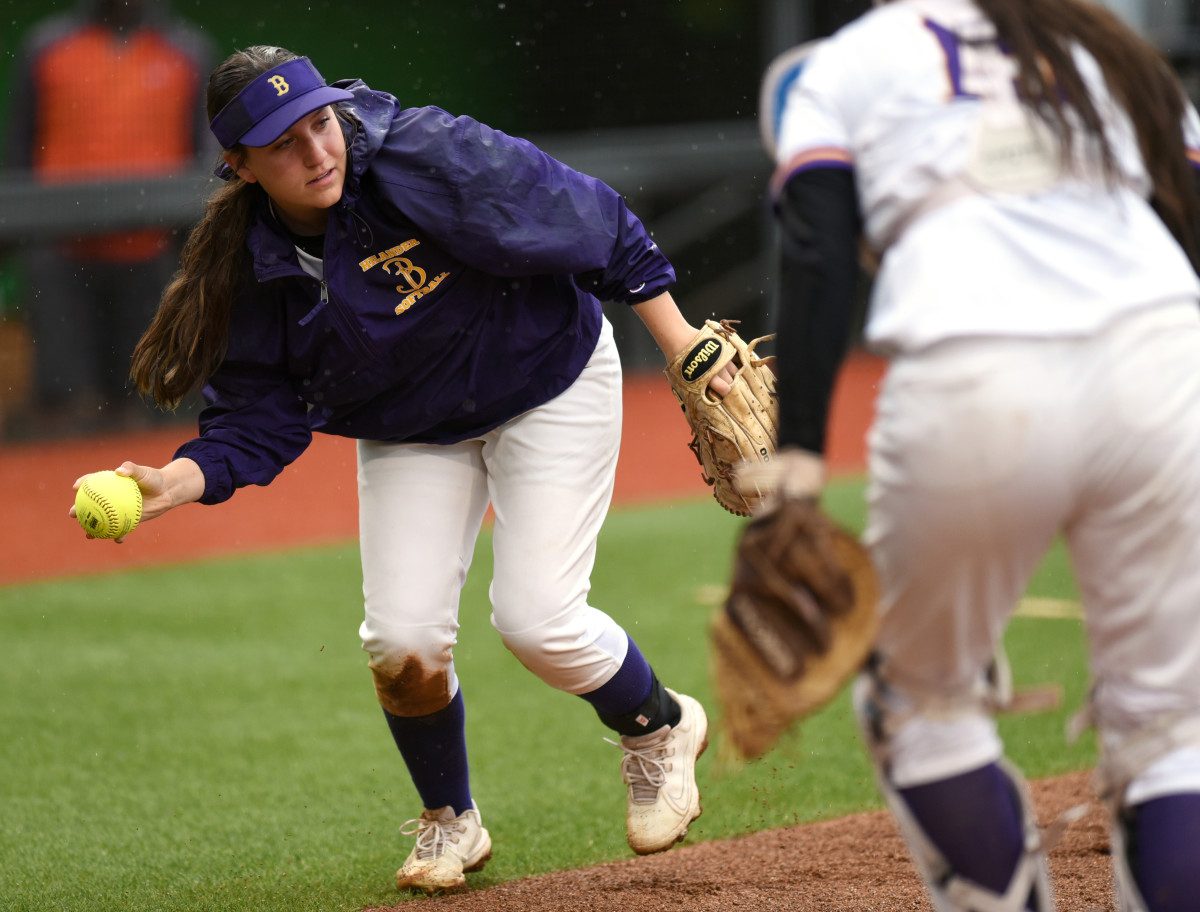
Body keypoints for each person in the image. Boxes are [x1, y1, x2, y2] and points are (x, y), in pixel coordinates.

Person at [69, 46, 711, 895]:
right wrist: (174, 484)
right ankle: (451, 819)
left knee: (538, 620)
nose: (316, 151)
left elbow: (587, 217)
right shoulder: (253, 264)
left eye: (320, 123)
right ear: (241, 166)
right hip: (412, 426)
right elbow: (256, 418)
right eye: (285, 143)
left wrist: (682, 346)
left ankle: (660, 727)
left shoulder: (420, 153)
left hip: (544, 378)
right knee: (401, 642)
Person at [758, 1, 1200, 910]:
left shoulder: (846, 61)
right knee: (1174, 724)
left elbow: (817, 252)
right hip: (1162, 354)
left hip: (973, 368)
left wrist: (797, 456)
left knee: (920, 703)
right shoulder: (1103, 43)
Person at [4, 0, 216, 439]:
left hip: (155, 254)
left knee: (150, 404)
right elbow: (21, 151)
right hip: (60, 255)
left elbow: (205, 158)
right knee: (66, 409)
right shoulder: (47, 46)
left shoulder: (187, 49)